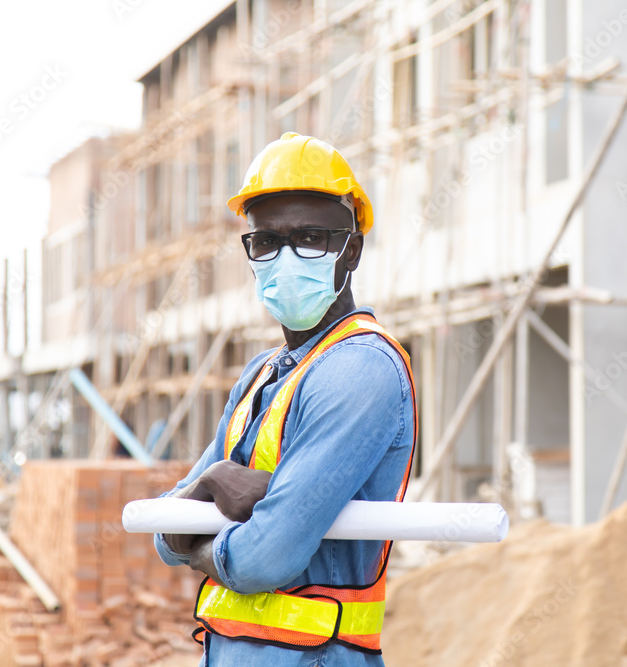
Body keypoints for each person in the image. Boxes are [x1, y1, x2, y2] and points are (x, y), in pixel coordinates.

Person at [154, 132, 417, 667]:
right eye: (267, 241)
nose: (286, 257)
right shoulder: (262, 373)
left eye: (312, 238)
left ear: (352, 250)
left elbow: (264, 558)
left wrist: (204, 544)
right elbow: (164, 534)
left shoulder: (361, 368)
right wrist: (211, 483)